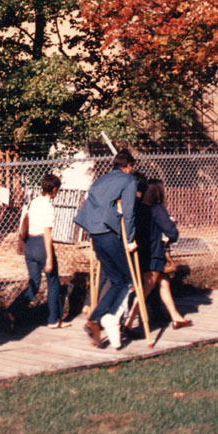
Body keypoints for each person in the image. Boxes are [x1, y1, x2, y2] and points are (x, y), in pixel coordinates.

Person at [73, 148, 138, 349]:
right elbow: (129, 212)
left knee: (116, 279)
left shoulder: (100, 180)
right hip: (109, 232)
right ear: (128, 166)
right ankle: (105, 318)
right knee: (127, 280)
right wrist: (130, 239)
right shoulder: (128, 181)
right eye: (131, 168)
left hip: (94, 233)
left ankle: (94, 319)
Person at [124, 179, 191, 333]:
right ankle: (128, 323)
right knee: (145, 290)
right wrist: (172, 226)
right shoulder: (157, 209)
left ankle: (176, 318)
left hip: (141, 253)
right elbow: (171, 232)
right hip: (154, 254)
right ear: (157, 192)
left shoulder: (138, 209)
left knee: (163, 283)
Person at [10, 173, 67, 329]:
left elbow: (25, 222)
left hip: (30, 244)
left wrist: (23, 243)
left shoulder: (34, 202)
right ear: (54, 189)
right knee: (53, 282)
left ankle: (13, 309)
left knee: (34, 283)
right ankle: (53, 319)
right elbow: (47, 233)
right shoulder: (48, 207)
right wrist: (49, 258)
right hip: (42, 244)